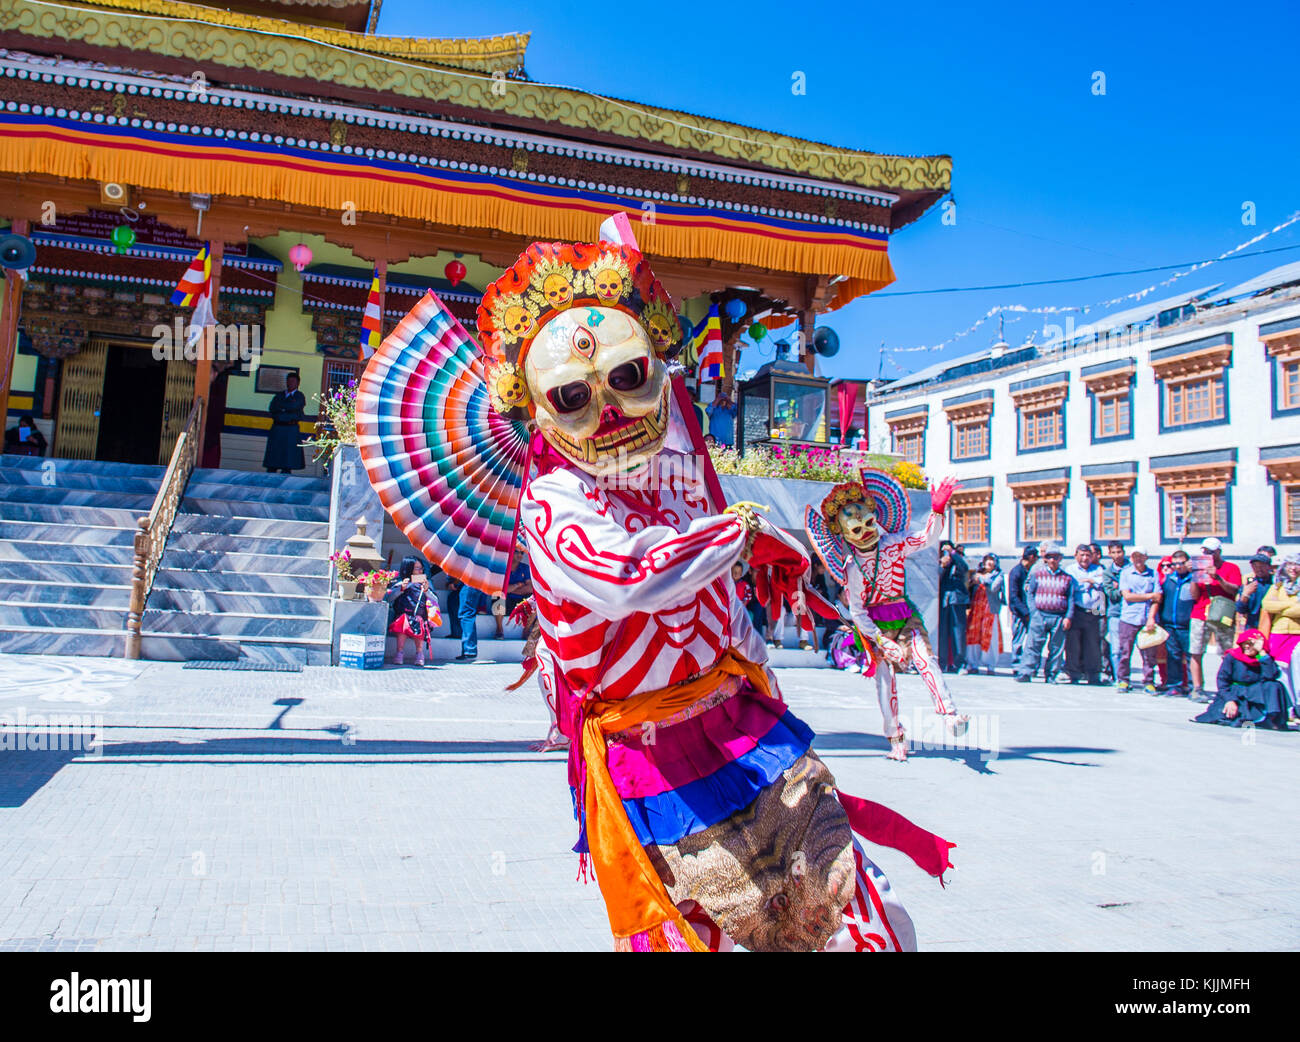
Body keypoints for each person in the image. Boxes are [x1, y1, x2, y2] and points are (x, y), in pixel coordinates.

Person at [360, 218, 955, 949]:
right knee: (685, 936)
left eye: (628, 378)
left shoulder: (677, 478)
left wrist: (758, 650)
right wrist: (736, 530)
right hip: (649, 760)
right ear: (538, 413)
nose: (608, 411)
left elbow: (724, 608)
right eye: (574, 397)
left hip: (745, 730)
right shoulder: (554, 503)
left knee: (860, 910)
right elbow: (627, 577)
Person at [805, 469, 966, 761]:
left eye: (868, 523)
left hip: (904, 616)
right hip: (874, 627)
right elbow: (857, 611)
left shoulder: (893, 543)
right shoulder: (852, 568)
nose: (866, 531)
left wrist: (938, 510)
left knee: (925, 659)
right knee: (885, 681)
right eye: (856, 529)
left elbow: (925, 539)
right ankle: (896, 739)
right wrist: (880, 639)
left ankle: (950, 714)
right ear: (843, 532)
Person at [1193, 630, 1291, 730]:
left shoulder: (1262, 658)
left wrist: (1262, 654)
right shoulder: (1232, 656)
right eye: (1245, 644)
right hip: (1236, 694)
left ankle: (1271, 718)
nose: (1247, 647)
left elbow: (1271, 675)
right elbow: (1222, 682)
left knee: (1274, 685)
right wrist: (1230, 700)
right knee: (1226, 715)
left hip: (1255, 694)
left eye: (1251, 644)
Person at [1186, 537, 1241, 702]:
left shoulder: (1231, 567)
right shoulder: (1199, 566)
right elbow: (1194, 595)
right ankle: (1197, 687)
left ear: (1219, 552)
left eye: (1211, 551)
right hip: (1200, 613)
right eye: (1205, 551)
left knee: (1226, 651)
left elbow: (1234, 590)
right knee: (1196, 650)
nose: (1207, 554)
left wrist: (1218, 578)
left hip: (1222, 613)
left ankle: (1226, 686)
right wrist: (1194, 575)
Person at [1015, 543, 1076, 684]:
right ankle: (1026, 672)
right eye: (1049, 557)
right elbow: (1029, 593)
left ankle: (1052, 674)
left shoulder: (1067, 578)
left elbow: (1071, 598)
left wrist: (1068, 617)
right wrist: (1034, 612)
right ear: (1045, 559)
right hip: (1040, 614)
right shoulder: (1037, 575)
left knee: (1056, 648)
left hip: (1058, 616)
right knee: (1033, 645)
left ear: (1060, 559)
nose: (1053, 560)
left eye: (1056, 557)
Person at [1114, 546, 1160, 693]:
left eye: (1141, 556)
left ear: (1146, 558)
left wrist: (1151, 618)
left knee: (1148, 653)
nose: (1138, 559)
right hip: (1129, 618)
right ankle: (1123, 680)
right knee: (1125, 651)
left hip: (1147, 618)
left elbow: (1158, 598)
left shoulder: (1153, 574)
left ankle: (1148, 681)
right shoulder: (1126, 573)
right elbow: (1127, 596)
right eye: (1135, 556)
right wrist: (1148, 596)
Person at [1155, 550, 1199, 697]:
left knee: (1190, 656)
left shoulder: (1193, 578)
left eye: (1181, 563)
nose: (1178, 566)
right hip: (1169, 625)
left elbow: (1196, 596)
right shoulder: (1169, 579)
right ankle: (1175, 685)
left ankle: (1194, 686)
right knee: (1172, 656)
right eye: (1175, 564)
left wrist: (1194, 575)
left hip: (1187, 624)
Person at [385, 557, 441, 666]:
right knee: (402, 628)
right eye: (417, 569)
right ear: (409, 569)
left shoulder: (425, 583)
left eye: (421, 569)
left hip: (419, 615)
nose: (420, 571)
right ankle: (399, 652)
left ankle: (419, 653)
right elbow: (389, 598)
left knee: (419, 629)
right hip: (403, 615)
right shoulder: (401, 582)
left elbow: (435, 600)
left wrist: (426, 591)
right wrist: (401, 589)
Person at [1063, 543, 1106, 685]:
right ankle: (1074, 674)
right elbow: (1073, 586)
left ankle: (1093, 675)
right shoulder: (1070, 569)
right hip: (1077, 611)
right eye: (1082, 555)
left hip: (1094, 612)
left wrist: (1091, 581)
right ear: (1076, 556)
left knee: (1093, 645)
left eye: (1088, 555)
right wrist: (1090, 583)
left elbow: (1102, 583)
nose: (1085, 558)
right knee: (1073, 645)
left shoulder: (1098, 568)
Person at [1262, 553, 1300, 708]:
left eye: (1296, 564)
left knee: (1297, 670)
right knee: (1281, 671)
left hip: (1297, 633)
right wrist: (1290, 605)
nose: (1292, 568)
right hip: (1279, 633)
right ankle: (1288, 706)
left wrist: (1281, 607)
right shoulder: (1277, 586)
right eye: (1289, 564)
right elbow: (1267, 605)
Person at [966, 553, 1006, 675]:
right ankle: (973, 663)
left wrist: (981, 578)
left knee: (990, 636)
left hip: (990, 610)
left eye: (991, 560)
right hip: (976, 609)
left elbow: (993, 588)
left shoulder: (998, 575)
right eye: (987, 560)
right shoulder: (976, 574)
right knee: (973, 636)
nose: (989, 562)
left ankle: (991, 664)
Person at [938, 539, 970, 674]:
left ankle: (959, 663)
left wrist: (953, 554)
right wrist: (942, 565)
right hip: (943, 599)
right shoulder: (939, 563)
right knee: (943, 633)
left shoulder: (958, 561)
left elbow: (965, 568)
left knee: (958, 633)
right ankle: (942, 662)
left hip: (957, 599)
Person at [263, 372, 306, 474]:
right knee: (273, 458)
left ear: (298, 383)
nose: (290, 383)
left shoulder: (299, 396)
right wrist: (286, 409)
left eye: (293, 381)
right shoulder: (279, 395)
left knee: (288, 460)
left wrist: (282, 408)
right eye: (289, 381)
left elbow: (295, 406)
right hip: (277, 428)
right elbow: (273, 408)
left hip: (291, 429)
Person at [1101, 542, 1127, 682]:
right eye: (1114, 552)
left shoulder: (1132, 568)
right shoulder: (1108, 573)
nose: (1117, 555)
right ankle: (1119, 678)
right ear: (1109, 554)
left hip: (1133, 613)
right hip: (1115, 613)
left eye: (1119, 552)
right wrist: (1125, 588)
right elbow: (1112, 594)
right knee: (1116, 649)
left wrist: (1121, 587)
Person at [1006, 545, 1038, 659]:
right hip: (1020, 613)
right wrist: (1025, 612)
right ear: (1031, 557)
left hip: (1032, 612)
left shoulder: (1032, 572)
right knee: (1018, 641)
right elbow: (1013, 596)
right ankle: (1017, 665)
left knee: (1034, 641)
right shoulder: (1016, 572)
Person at [1237, 552, 1274, 630]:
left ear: (1269, 566)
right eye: (1255, 566)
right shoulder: (1250, 583)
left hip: (1273, 624)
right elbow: (1240, 609)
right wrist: (1245, 594)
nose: (1258, 569)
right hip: (1253, 625)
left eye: (1262, 566)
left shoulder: (1275, 583)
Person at [455, 583, 487, 662]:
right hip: (476, 583)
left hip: (470, 583)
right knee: (467, 614)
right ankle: (468, 649)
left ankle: (469, 649)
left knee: (466, 614)